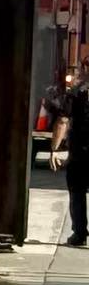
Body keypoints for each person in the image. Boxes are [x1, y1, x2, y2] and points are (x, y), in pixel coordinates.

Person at [49, 58, 89, 247]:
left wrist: (55, 149)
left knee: (77, 191)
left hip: (80, 152)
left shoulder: (76, 93)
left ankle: (79, 234)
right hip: (79, 150)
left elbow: (63, 120)